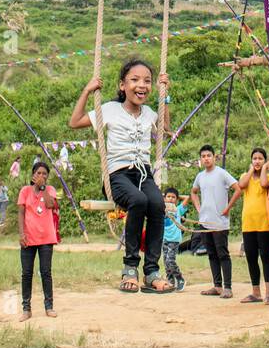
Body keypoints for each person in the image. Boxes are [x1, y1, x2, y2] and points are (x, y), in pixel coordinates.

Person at [70, 59, 174, 294]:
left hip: (144, 173)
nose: (142, 85)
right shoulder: (108, 109)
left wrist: (164, 96)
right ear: (122, 85)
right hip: (117, 175)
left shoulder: (149, 113)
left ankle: (152, 272)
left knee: (157, 204)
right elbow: (74, 122)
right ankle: (130, 268)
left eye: (147, 81)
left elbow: (165, 130)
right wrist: (88, 90)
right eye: (135, 80)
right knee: (138, 201)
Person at [190, 144, 238, 299]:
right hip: (205, 222)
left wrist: (228, 208)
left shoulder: (222, 174)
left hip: (220, 222)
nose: (206, 159)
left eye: (208, 156)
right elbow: (193, 192)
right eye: (203, 156)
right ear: (201, 159)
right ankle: (217, 286)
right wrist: (199, 209)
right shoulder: (200, 176)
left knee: (222, 253)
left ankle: (228, 287)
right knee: (211, 254)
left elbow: (238, 188)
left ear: (214, 157)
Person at [17, 160, 60, 319]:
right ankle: (26, 309)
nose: (41, 176)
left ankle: (49, 307)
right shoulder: (25, 191)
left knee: (46, 272)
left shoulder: (50, 189)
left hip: (46, 238)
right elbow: (21, 213)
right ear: (33, 175)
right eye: (38, 173)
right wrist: (21, 234)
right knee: (26, 273)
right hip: (29, 238)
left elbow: (50, 205)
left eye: (44, 174)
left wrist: (42, 188)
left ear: (47, 177)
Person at [237, 147, 269, 303]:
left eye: (260, 159)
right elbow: (241, 185)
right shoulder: (245, 176)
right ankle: (256, 292)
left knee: (265, 257)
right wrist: (250, 170)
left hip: (265, 224)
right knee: (251, 258)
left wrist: (264, 169)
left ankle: (268, 293)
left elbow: (264, 184)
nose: (257, 161)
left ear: (265, 161)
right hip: (248, 224)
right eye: (254, 158)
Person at [161, 186, 189, 292]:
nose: (171, 199)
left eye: (173, 197)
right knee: (165, 262)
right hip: (164, 239)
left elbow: (188, 198)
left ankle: (180, 278)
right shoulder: (162, 209)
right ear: (164, 198)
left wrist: (178, 197)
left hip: (174, 239)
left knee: (170, 260)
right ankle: (170, 280)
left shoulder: (179, 209)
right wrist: (164, 198)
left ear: (177, 200)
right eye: (168, 197)